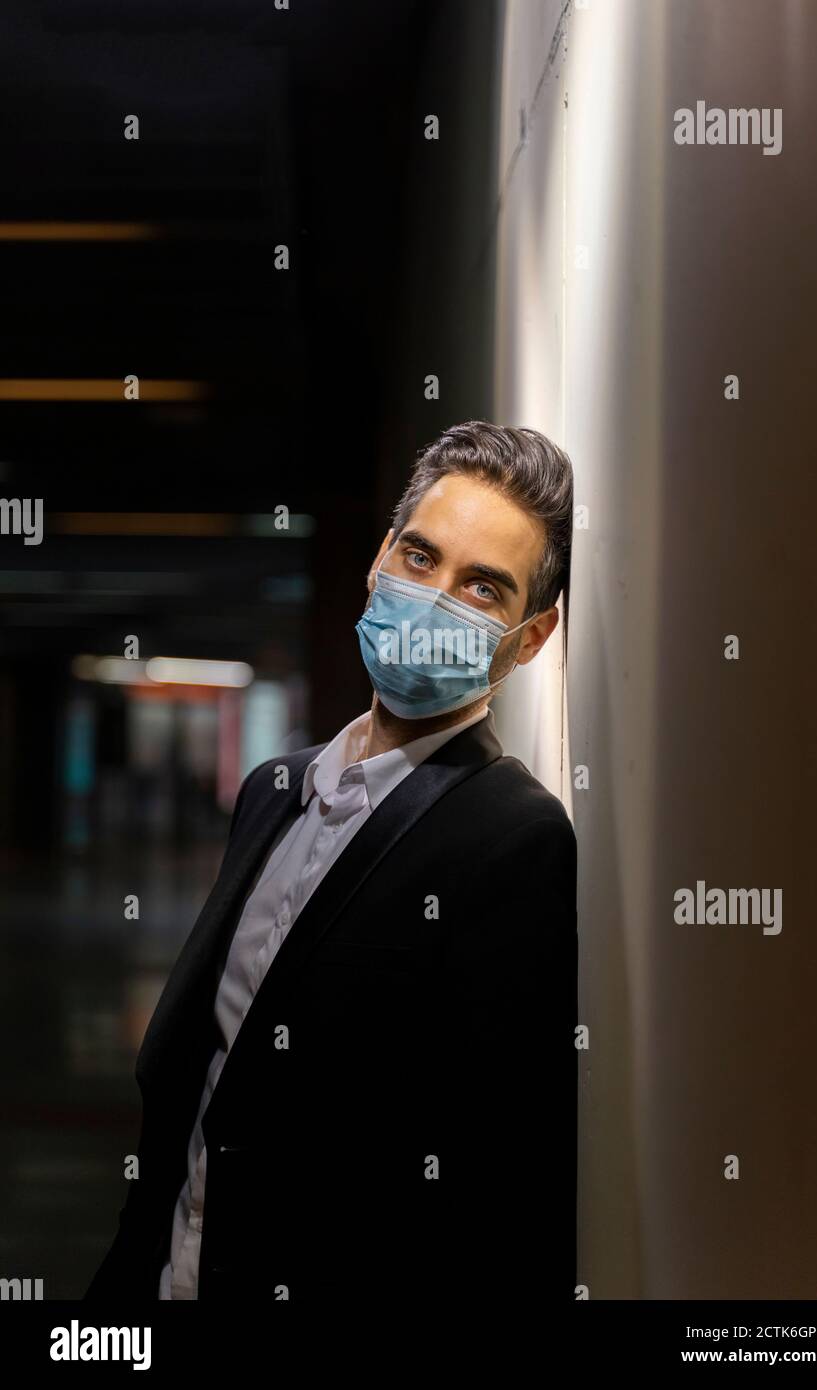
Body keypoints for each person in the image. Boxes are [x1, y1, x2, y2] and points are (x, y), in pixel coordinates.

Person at [84, 419, 578, 1310]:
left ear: (531, 637)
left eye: (481, 588)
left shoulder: (516, 840)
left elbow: (494, 1184)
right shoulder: (276, 789)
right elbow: (202, 1073)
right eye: (422, 558)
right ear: (380, 557)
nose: (434, 603)